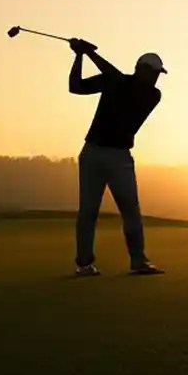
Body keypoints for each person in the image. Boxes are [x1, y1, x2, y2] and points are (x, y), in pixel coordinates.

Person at [67, 37, 167, 276]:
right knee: (88, 211)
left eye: (157, 74)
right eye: (153, 72)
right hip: (93, 152)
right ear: (140, 69)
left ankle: (138, 261)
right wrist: (79, 56)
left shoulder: (152, 94)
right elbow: (76, 87)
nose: (156, 77)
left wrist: (90, 53)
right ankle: (84, 264)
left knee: (130, 209)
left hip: (120, 156)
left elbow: (121, 81)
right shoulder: (115, 80)